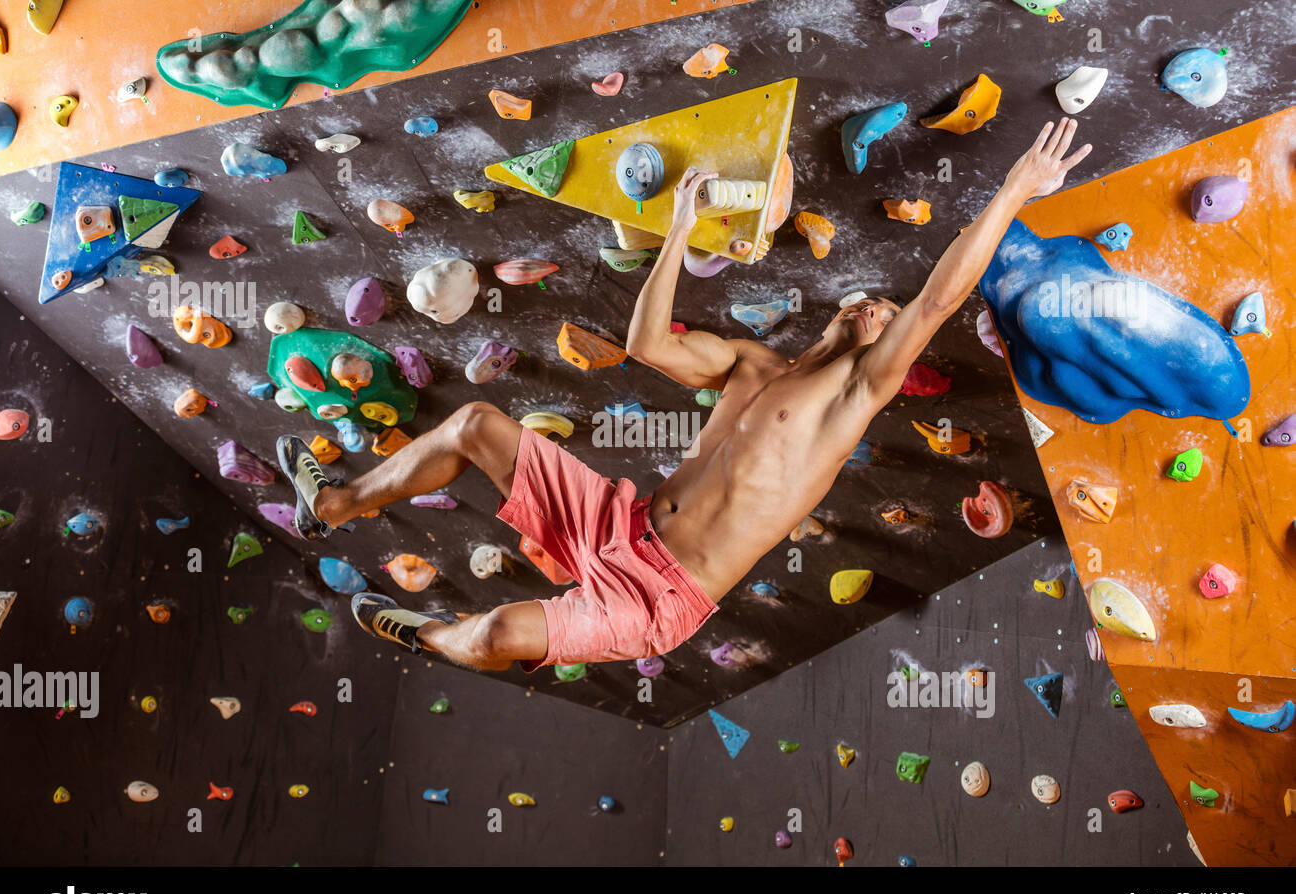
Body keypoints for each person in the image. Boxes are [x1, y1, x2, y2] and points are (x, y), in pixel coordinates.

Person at [276, 119, 1091, 672]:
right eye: (872, 301)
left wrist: (1017, 188)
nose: (883, 312)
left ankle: (431, 636)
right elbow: (647, 345)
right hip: (622, 521)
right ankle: (338, 504)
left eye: (890, 318)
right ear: (841, 308)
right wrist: (677, 228)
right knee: (475, 422)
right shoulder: (749, 363)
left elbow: (941, 298)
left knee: (496, 632)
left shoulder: (853, 394)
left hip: (663, 594)